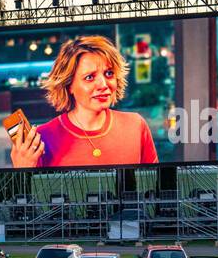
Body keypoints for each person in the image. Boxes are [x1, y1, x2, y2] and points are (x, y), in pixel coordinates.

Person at [9, 36, 157, 168]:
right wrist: (22, 170)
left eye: (109, 73)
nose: (103, 84)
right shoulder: (41, 139)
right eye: (90, 77)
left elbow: (157, 187)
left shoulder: (136, 125)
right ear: (69, 85)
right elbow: (31, 196)